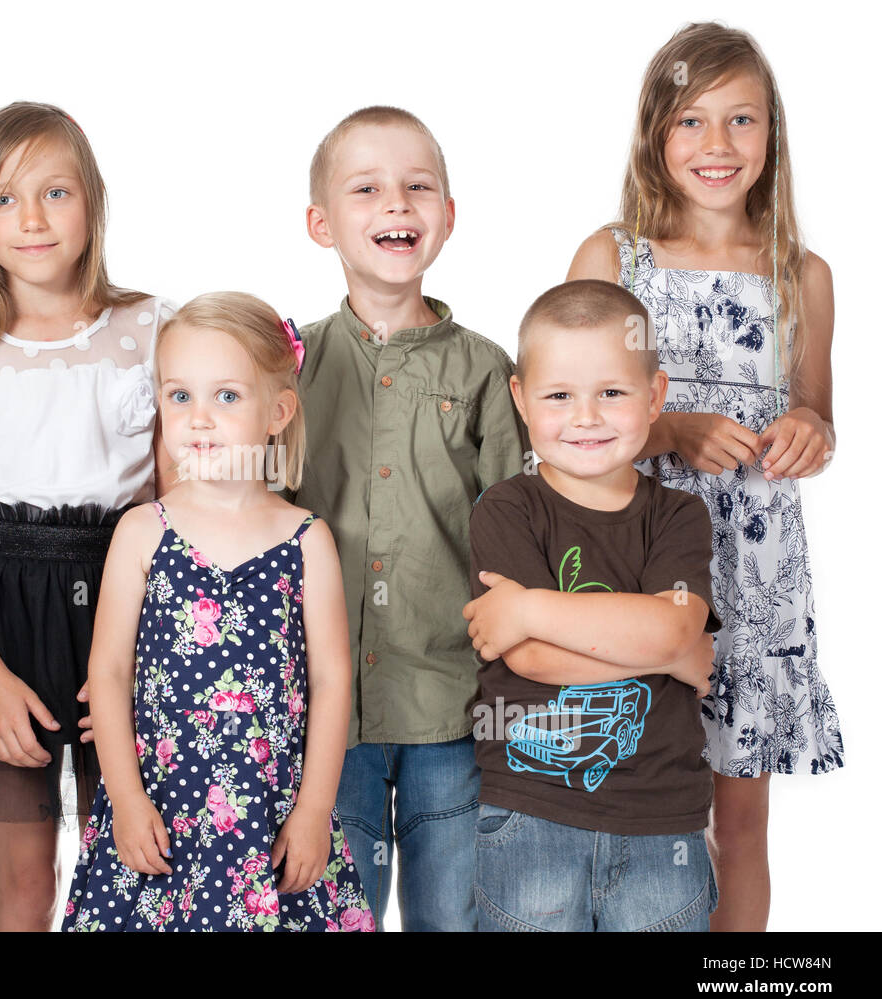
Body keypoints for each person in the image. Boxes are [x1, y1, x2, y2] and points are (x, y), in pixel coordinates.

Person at [566, 22, 841, 931]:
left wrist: (807, 426)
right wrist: (670, 426)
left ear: (773, 135)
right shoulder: (616, 259)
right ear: (655, 134)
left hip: (757, 577)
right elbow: (570, 419)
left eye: (741, 121)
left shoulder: (801, 275)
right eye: (690, 121)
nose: (717, 146)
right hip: (643, 561)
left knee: (742, 819)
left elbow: (816, 414)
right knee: (635, 807)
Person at [0, 101, 175, 930]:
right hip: (3, 606)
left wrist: (122, 656)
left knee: (124, 849)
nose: (32, 219)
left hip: (124, 597)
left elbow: (172, 504)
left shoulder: (150, 327)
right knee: (25, 875)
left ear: (92, 200)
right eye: (5, 198)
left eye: (55, 193)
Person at [63, 293, 372, 931]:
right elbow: (111, 676)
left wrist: (314, 810)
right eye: (180, 397)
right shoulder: (143, 531)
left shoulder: (307, 538)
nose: (199, 420)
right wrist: (124, 800)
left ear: (278, 411)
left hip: (269, 814)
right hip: (162, 812)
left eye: (226, 397)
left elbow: (332, 680)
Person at [292, 105, 527, 930]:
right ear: (322, 223)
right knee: (336, 914)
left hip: (451, 707)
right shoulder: (286, 362)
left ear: (448, 217)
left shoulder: (490, 371)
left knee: (453, 916)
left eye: (418, 187)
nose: (397, 204)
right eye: (367, 188)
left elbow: (516, 542)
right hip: (324, 713)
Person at [465, 279, 722, 931]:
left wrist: (527, 607)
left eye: (612, 391)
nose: (586, 417)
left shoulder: (678, 516)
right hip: (530, 812)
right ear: (521, 399)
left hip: (663, 818)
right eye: (559, 395)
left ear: (656, 394)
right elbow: (529, 658)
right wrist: (666, 655)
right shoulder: (507, 508)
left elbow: (673, 626)